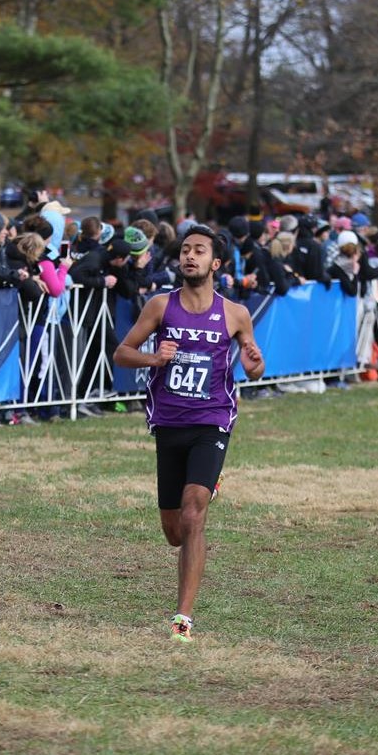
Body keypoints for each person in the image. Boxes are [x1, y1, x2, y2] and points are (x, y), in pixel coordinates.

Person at [112, 226, 265, 643]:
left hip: (212, 419)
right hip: (169, 422)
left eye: (199, 251)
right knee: (174, 532)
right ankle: (205, 484)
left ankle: (183, 618)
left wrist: (253, 362)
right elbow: (121, 353)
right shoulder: (160, 306)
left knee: (194, 513)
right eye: (185, 250)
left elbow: (253, 367)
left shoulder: (235, 313)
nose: (190, 256)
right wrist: (153, 358)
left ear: (215, 263)